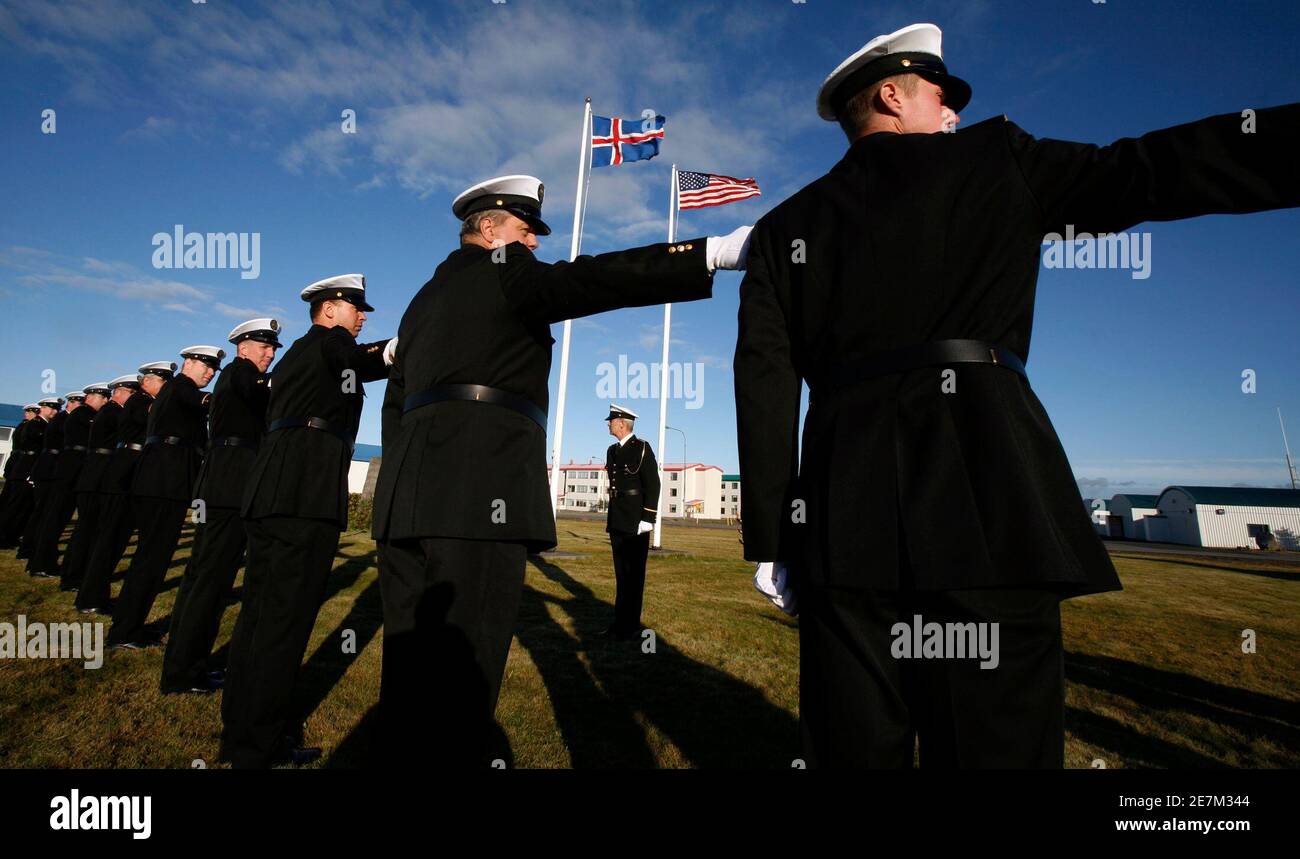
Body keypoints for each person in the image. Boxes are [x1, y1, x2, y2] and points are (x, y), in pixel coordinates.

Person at [735, 22, 1300, 768]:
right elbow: (1147, 169)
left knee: (850, 743)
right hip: (984, 492)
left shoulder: (782, 230)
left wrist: (776, 539)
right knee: (993, 742)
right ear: (891, 94)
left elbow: (764, 385)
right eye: (943, 95)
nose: (955, 114)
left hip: (842, 516)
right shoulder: (995, 158)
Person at [371, 173, 750, 767]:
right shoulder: (505, 266)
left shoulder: (423, 299)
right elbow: (590, 279)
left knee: (408, 668)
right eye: (526, 232)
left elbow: (395, 404)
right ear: (491, 230)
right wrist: (706, 253)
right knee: (465, 669)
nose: (534, 247)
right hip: (481, 485)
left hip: (408, 497)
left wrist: (396, 485)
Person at [220, 277, 393, 768]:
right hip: (303, 496)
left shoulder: (297, 354)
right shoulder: (332, 344)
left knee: (258, 616)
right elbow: (360, 361)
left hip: (272, 491)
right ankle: (262, 745)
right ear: (330, 309)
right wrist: (403, 347)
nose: (362, 319)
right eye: (357, 310)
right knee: (284, 623)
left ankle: (241, 730)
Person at [162, 318, 280, 695]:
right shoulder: (238, 373)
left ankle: (185, 666)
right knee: (209, 582)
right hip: (228, 488)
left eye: (273, 347)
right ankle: (184, 672)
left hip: (222, 485)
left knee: (204, 579)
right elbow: (259, 388)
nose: (270, 353)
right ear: (243, 347)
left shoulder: (239, 378)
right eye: (264, 346)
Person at [106, 347, 223, 649]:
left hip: (163, 481)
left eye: (213, 369)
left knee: (151, 558)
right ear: (188, 363)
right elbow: (204, 403)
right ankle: (125, 631)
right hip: (164, 483)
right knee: (151, 560)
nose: (209, 373)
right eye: (205, 366)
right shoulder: (180, 387)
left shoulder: (174, 391)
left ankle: (129, 626)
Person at [76, 362, 173, 614]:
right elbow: (151, 417)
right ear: (146, 383)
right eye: (162, 382)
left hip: (132, 472)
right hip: (124, 474)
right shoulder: (139, 402)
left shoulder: (141, 401)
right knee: (110, 538)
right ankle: (91, 597)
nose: (165, 387)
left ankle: (94, 594)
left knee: (116, 539)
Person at [601, 404, 660, 641]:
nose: (608, 424)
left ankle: (631, 625)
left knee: (634, 575)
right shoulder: (611, 451)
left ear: (622, 423)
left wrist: (648, 518)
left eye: (611, 421)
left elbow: (652, 484)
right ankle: (619, 623)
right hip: (617, 518)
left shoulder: (642, 448)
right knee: (621, 574)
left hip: (636, 520)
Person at [56, 382, 117, 591]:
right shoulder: (87, 414)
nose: (103, 401)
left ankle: (72, 572)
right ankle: (73, 575)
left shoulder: (97, 413)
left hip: (92, 474)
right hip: (94, 475)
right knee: (86, 528)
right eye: (100, 397)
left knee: (86, 527)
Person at [22, 393, 79, 574]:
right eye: (51, 408)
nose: (54, 411)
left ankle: (33, 552)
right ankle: (36, 555)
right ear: (71, 404)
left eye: (56, 408)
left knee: (45, 514)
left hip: (52, 469)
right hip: (51, 470)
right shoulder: (64, 420)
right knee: (46, 515)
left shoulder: (62, 419)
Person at [0, 404, 44, 548]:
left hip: (17, 465)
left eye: (30, 412)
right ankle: (6, 534)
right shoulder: (29, 426)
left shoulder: (24, 425)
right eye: (28, 412)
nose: (27, 414)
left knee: (11, 501)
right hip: (21, 465)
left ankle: (9, 533)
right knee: (14, 503)